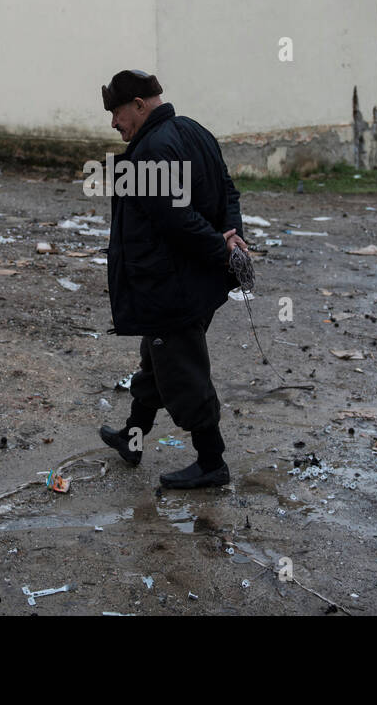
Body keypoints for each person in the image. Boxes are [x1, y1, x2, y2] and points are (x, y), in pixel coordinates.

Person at [96, 69, 247, 489]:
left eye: (117, 112)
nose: (113, 123)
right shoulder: (194, 131)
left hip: (170, 286)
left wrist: (223, 248)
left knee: (182, 373)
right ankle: (132, 439)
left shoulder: (152, 151)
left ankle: (212, 463)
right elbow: (229, 192)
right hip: (191, 284)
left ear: (140, 106)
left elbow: (177, 221)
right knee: (155, 364)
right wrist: (231, 238)